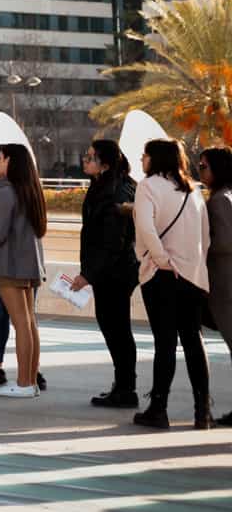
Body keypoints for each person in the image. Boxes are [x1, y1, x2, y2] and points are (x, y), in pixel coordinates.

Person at [132, 137, 212, 429]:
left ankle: (159, 408)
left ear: (156, 159)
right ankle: (202, 411)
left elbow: (145, 227)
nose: (142, 160)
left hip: (161, 274)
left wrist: (162, 260)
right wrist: (193, 268)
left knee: (165, 343)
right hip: (192, 277)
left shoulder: (148, 186)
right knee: (193, 340)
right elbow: (205, 236)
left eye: (145, 155)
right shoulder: (193, 191)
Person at [70, 138, 140, 409]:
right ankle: (123, 386)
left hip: (116, 272)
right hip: (112, 270)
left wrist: (89, 274)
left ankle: (125, 388)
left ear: (106, 163)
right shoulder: (106, 185)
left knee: (117, 328)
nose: (85, 161)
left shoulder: (116, 190)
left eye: (90, 158)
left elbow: (114, 241)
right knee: (114, 327)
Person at [0, 142, 48, 399]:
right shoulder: (29, 188)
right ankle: (30, 380)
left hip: (8, 264)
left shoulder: (6, 192)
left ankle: (24, 382)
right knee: (28, 323)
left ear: (11, 161)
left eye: (1, 158)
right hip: (28, 263)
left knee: (21, 324)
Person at [197, 147, 232, 427]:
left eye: (204, 166)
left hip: (226, 284)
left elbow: (224, 242)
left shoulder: (219, 201)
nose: (200, 171)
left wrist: (201, 241)